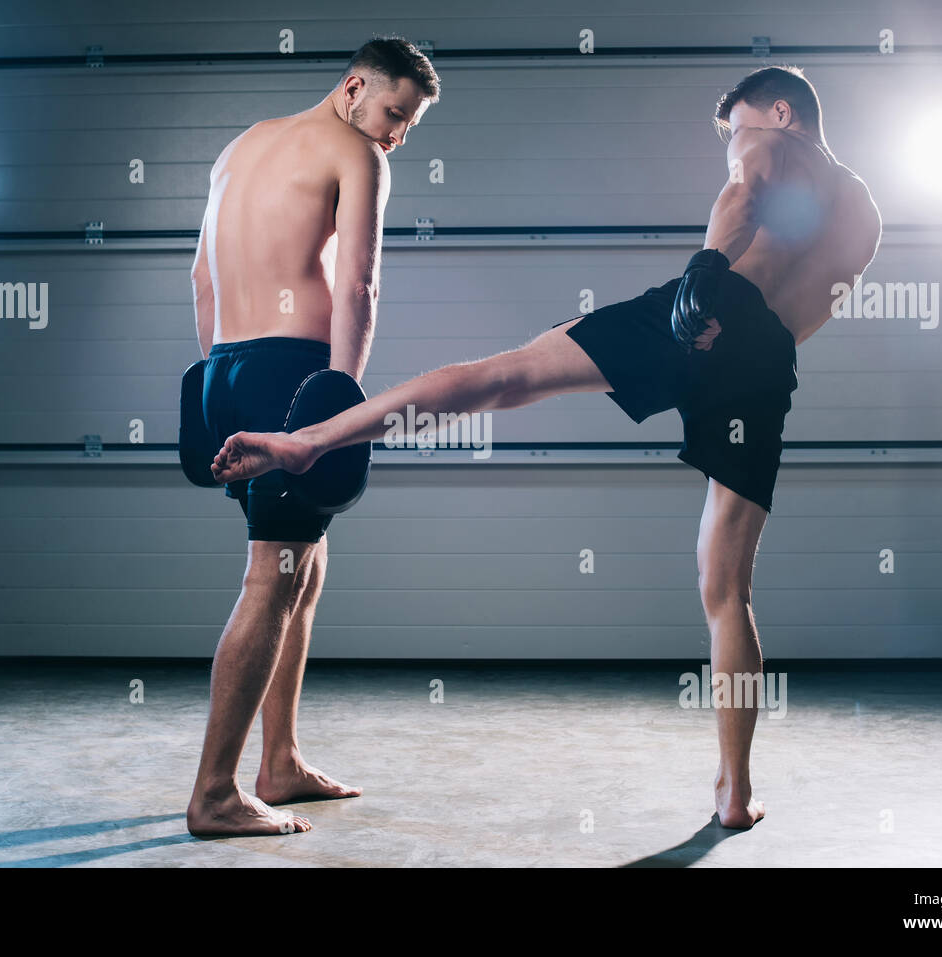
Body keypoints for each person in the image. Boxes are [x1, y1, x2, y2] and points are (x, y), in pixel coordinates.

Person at [211, 66, 882, 830]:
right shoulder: (865, 214)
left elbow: (745, 189)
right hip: (764, 364)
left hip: (701, 312)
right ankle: (735, 792)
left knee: (502, 379)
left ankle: (308, 441)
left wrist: (704, 274)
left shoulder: (773, 144)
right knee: (730, 590)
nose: (736, 139)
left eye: (740, 125)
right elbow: (817, 307)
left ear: (781, 111)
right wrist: (751, 359)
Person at [186, 37, 440, 837]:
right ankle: (216, 793)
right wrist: (337, 406)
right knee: (274, 574)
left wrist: (222, 381)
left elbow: (200, 277)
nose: (396, 134)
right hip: (297, 374)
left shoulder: (241, 146)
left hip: (227, 364)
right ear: (355, 86)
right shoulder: (356, 155)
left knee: (304, 564)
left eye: (408, 125)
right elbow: (358, 282)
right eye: (394, 113)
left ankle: (281, 761)